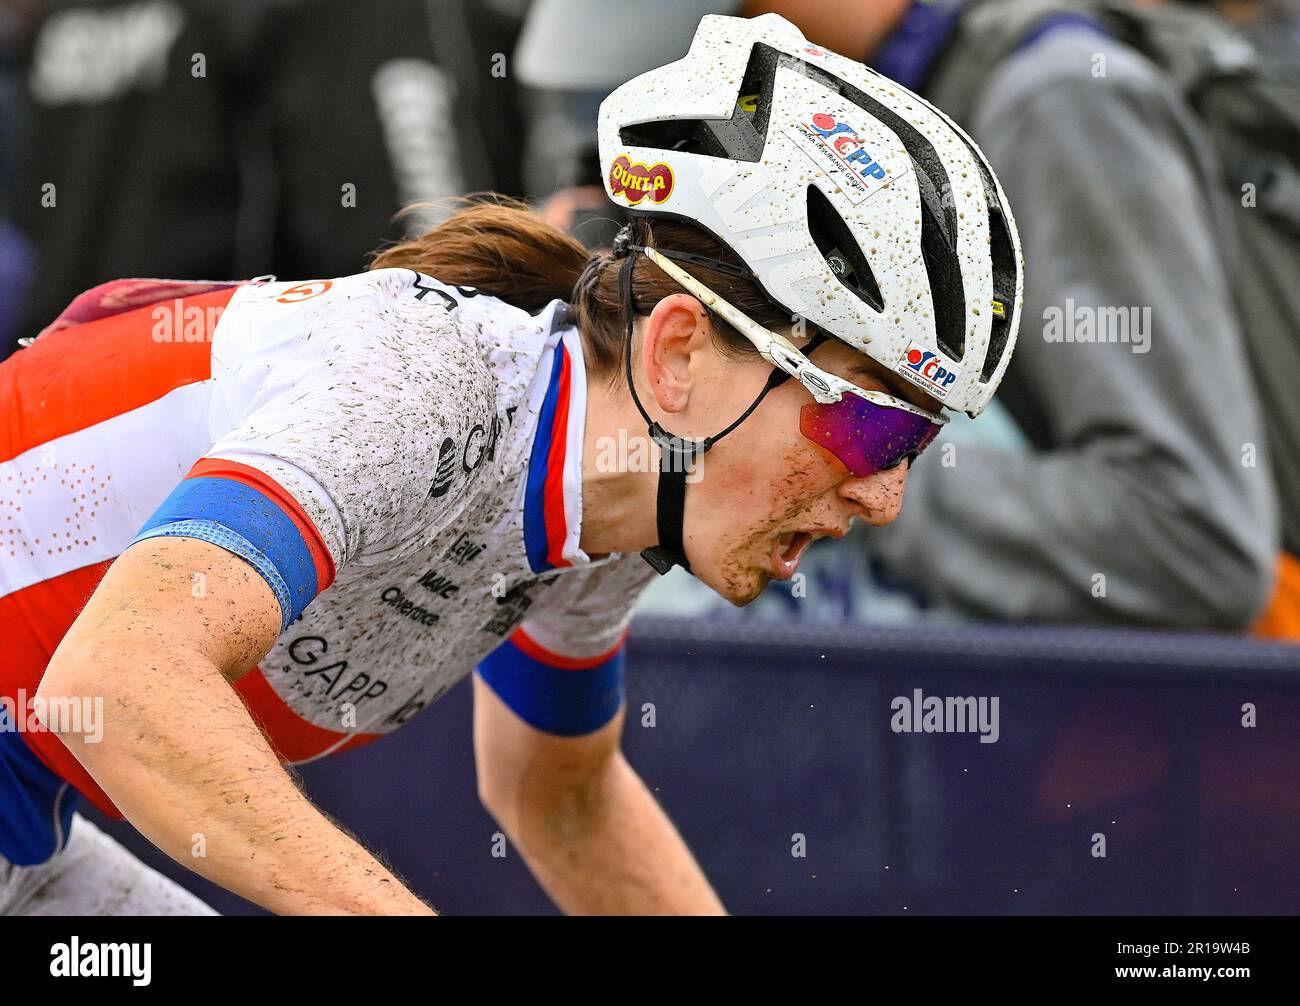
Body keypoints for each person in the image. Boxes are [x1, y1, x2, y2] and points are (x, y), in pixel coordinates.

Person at [0, 11, 1021, 915]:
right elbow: (126, 676)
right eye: (871, 428)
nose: (885, 497)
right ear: (676, 356)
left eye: (919, 445)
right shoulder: (425, 382)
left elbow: (560, 798)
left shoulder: (621, 509)